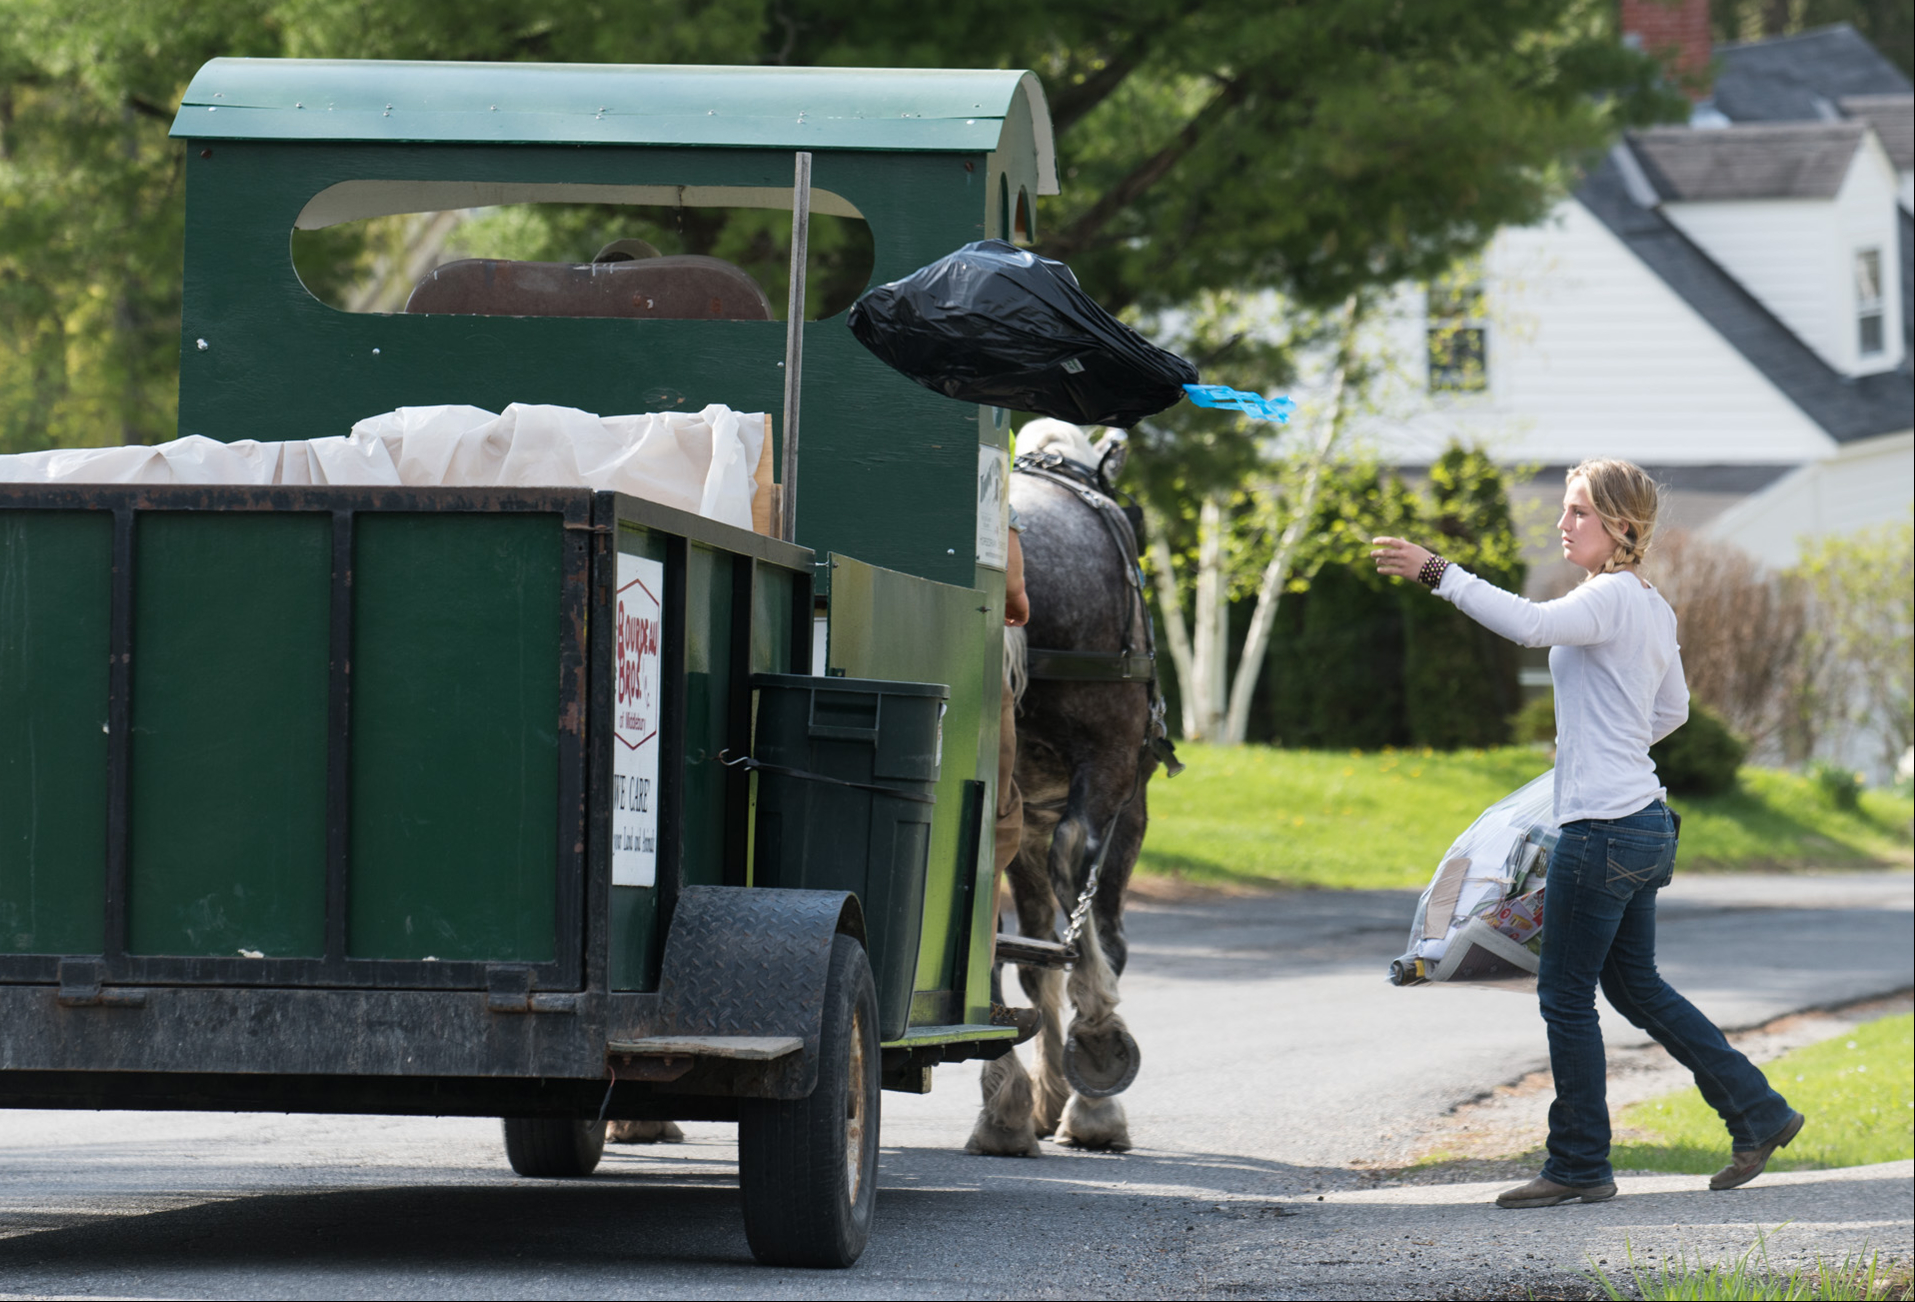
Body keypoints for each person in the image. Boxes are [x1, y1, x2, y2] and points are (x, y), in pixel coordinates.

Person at [1371, 459, 1803, 1209]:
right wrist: (1606, 742)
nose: (1562, 524)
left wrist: (1436, 570)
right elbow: (1670, 712)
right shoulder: (1649, 604)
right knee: (1635, 986)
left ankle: (1577, 1164)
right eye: (1566, 510)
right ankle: (1758, 1112)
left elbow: (1530, 626)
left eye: (1578, 513)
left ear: (1621, 528)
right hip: (1640, 823)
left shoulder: (1605, 597)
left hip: (1602, 832)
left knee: (1565, 997)